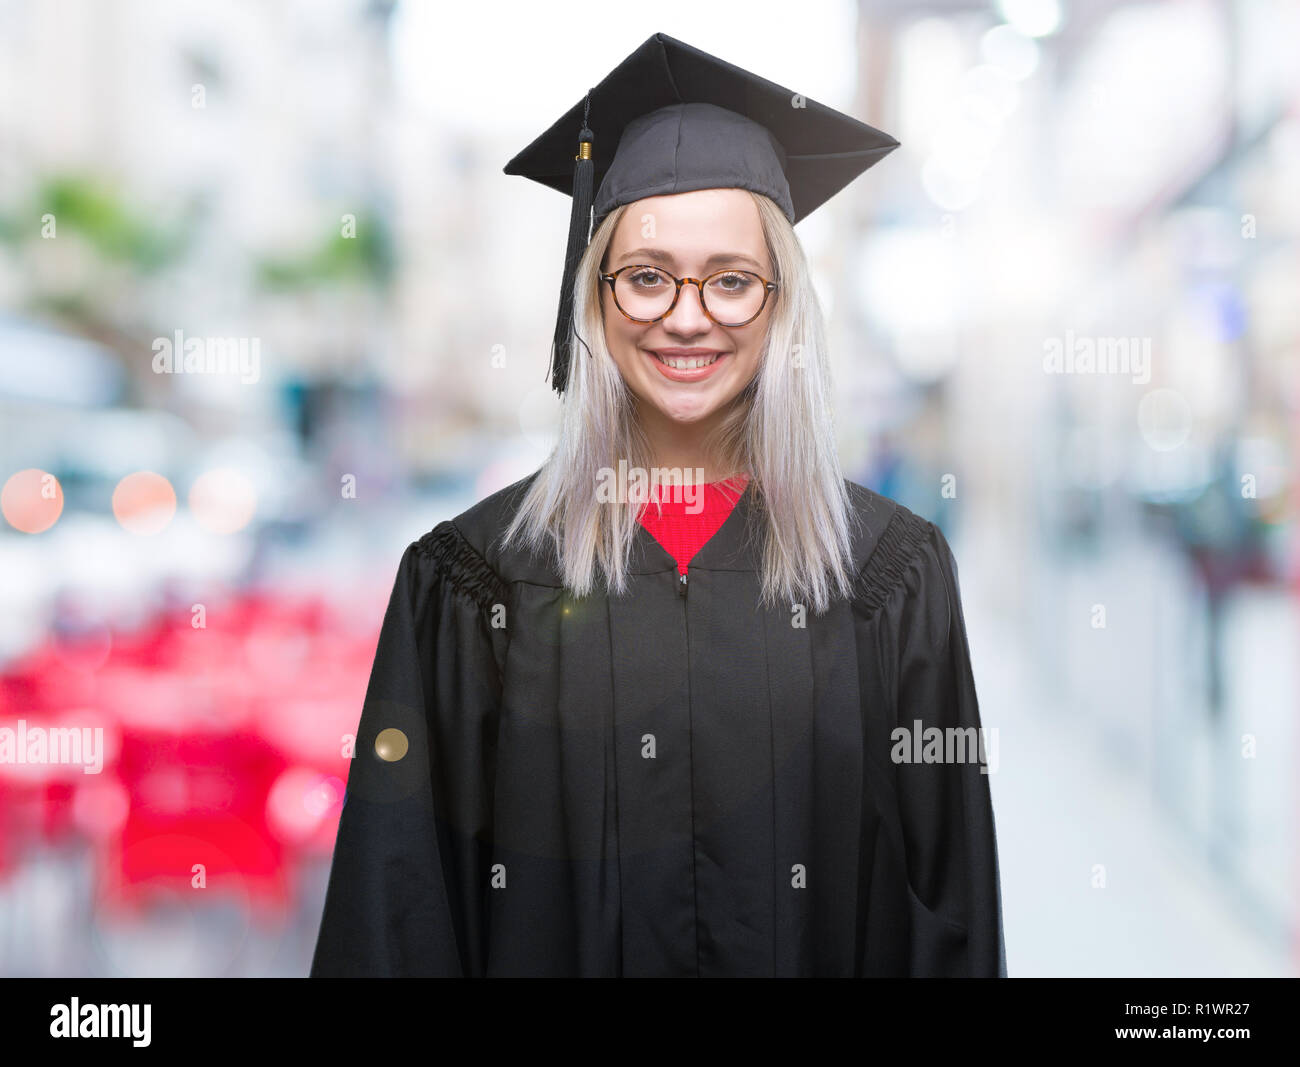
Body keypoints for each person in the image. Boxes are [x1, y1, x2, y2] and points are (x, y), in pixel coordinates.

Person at [309, 31, 1005, 977]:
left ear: (781, 303)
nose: (687, 314)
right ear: (593, 298)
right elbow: (395, 917)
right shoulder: (472, 585)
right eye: (645, 276)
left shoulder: (890, 577)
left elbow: (950, 912)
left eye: (731, 279)